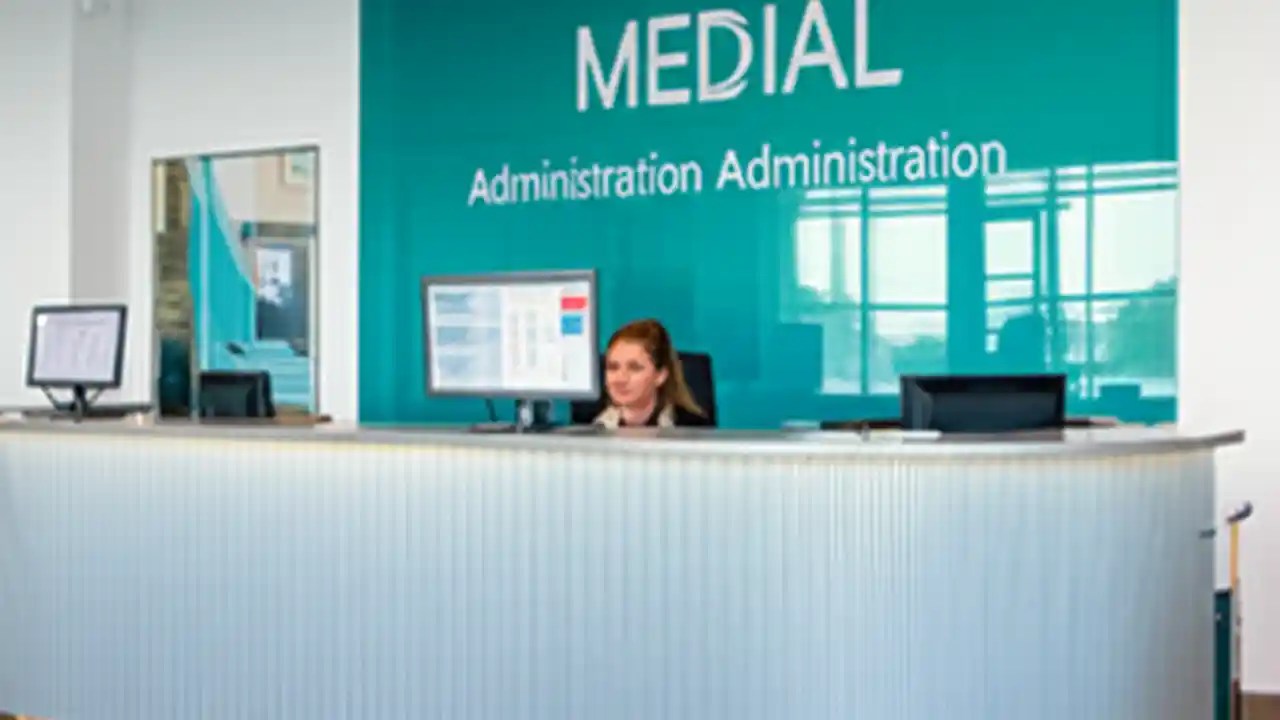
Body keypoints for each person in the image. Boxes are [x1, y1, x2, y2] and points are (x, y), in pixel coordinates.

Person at [593, 318, 711, 428]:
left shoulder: (692, 430)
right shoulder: (593, 427)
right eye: (613, 367)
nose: (620, 379)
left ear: (660, 376)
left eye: (634, 368)